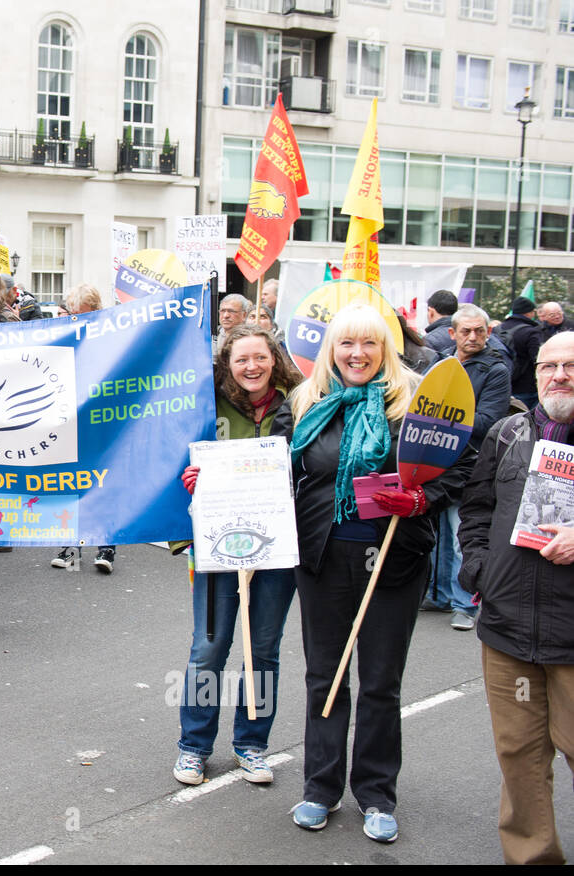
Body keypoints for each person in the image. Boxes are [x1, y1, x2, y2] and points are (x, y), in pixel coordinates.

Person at [273, 304, 471, 843]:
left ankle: (377, 794)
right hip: (322, 559)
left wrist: (424, 499)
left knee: (381, 682)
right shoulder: (304, 402)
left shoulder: (415, 403)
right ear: (331, 350)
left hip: (394, 559)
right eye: (346, 343)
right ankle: (320, 788)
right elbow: (272, 470)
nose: (357, 354)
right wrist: (218, 482)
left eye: (369, 343)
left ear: (386, 349)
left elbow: (460, 466)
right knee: (325, 677)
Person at [458, 331, 574, 864]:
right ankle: (533, 858)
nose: (559, 376)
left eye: (571, 366)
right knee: (520, 756)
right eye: (549, 366)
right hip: (508, 630)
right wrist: (480, 572)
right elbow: (477, 508)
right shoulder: (508, 433)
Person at [174, 324, 302, 785]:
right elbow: (175, 452)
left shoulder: (300, 404)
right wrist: (189, 478)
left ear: (275, 359)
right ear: (227, 364)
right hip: (216, 545)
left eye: (260, 357)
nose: (252, 366)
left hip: (276, 546)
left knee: (262, 649)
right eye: (241, 359)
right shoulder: (206, 405)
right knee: (209, 647)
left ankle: (252, 744)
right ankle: (193, 747)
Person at [420, 304, 511, 630]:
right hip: (437, 458)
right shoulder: (441, 362)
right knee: (439, 533)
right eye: (466, 331)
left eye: (479, 331)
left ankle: (465, 604)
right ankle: (440, 595)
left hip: (472, 462)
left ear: (488, 332)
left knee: (462, 536)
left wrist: (442, 415)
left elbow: (487, 421)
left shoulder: (496, 369)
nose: (473, 337)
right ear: (452, 333)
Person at [54, 283, 117, 573]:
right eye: (73, 312)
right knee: (72, 482)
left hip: (102, 420)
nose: (76, 317)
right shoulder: (66, 333)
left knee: (103, 481)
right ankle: (71, 548)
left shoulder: (109, 336)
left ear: (96, 309)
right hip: (72, 419)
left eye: (83, 313)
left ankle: (106, 547)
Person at [496, 297, 542, 407]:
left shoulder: (496, 329)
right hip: (526, 388)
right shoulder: (531, 332)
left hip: (500, 383)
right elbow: (538, 359)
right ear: (528, 313)